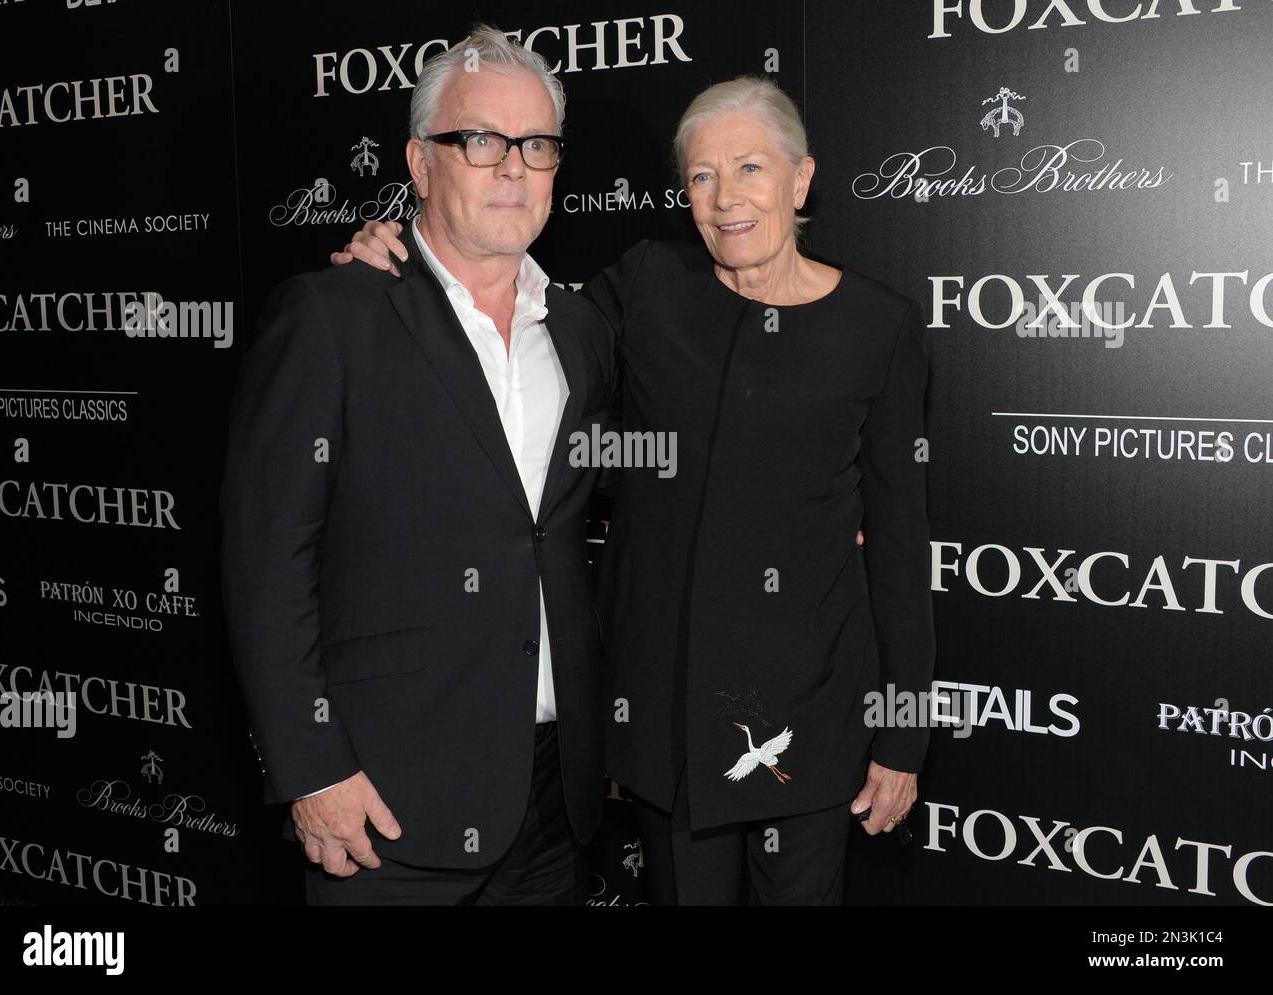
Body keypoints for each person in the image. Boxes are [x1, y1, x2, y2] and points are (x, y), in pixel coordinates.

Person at [332, 76, 934, 905]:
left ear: (801, 182)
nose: (726, 200)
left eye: (752, 169)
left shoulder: (881, 326)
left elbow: (899, 547)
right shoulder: (649, 284)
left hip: (814, 718)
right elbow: (509, 309)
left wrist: (901, 735)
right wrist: (395, 253)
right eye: (701, 177)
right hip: (668, 723)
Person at [219, 26, 615, 905]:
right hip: (382, 808)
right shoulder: (333, 316)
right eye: (480, 140)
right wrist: (311, 771)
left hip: (553, 802)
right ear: (420, 161)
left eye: (537, 144)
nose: (513, 166)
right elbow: (266, 565)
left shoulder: (584, 331)